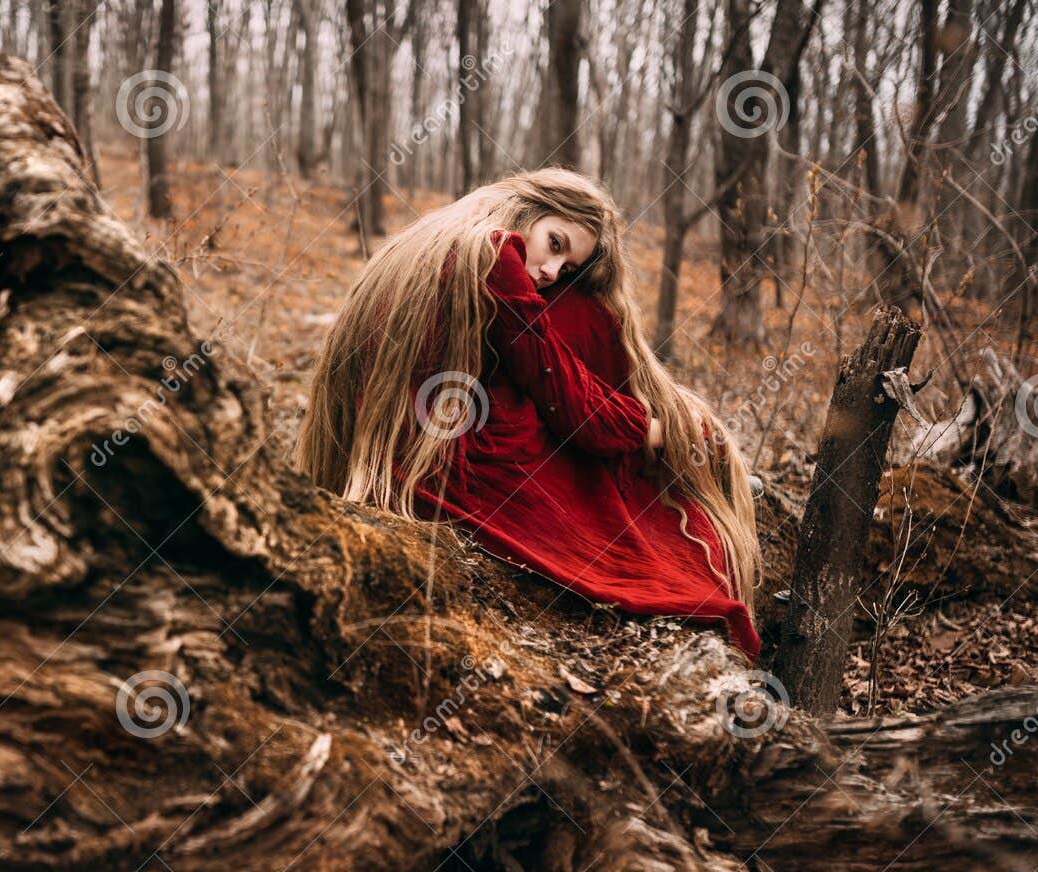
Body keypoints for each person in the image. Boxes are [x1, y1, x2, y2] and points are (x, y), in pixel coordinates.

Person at [294, 168, 762, 657]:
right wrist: (660, 429)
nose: (552, 270)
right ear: (528, 208)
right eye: (555, 243)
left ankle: (687, 467)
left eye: (568, 264)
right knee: (587, 318)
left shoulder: (443, 235)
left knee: (576, 313)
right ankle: (680, 473)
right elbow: (574, 406)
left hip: (405, 432)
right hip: (434, 454)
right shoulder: (494, 251)